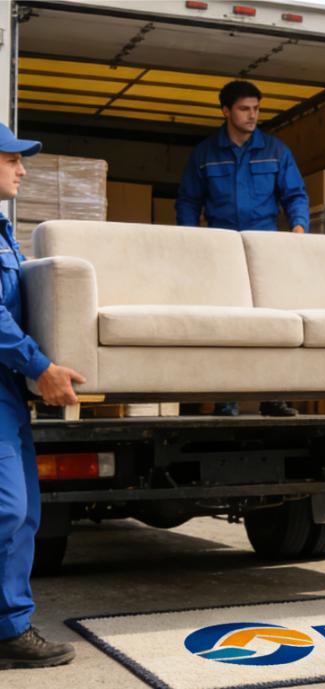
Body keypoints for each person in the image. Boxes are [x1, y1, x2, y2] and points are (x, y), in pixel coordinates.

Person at [0, 123, 85, 669]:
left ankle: (10, 629)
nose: (23, 170)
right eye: (12, 160)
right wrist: (41, 365)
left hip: (8, 390)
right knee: (6, 509)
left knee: (25, 513)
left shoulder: (3, 231)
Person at [176, 79, 309, 418]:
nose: (252, 115)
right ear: (226, 111)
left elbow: (295, 194)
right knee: (227, 325)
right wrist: (189, 241)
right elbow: (188, 201)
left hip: (266, 248)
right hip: (221, 249)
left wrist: (298, 227)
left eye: (256, 109)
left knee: (273, 324)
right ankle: (227, 399)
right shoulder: (205, 154)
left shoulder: (276, 151)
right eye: (244, 109)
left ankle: (273, 398)